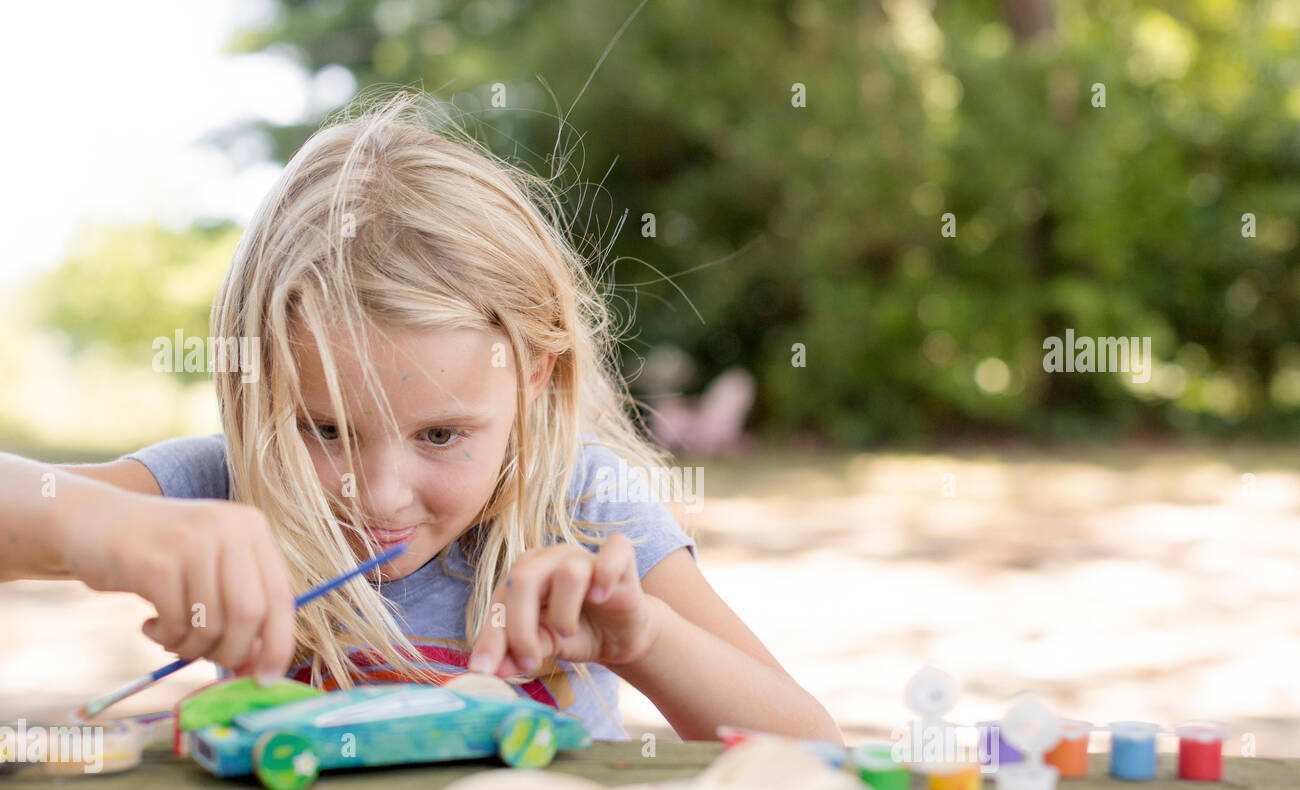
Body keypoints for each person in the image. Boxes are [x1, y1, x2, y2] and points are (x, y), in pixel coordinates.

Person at [0, 93, 840, 744]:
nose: (381, 495)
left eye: (440, 436)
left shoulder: (584, 510)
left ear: (533, 381)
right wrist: (96, 526)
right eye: (323, 430)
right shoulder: (224, 488)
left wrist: (643, 637)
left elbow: (817, 754)